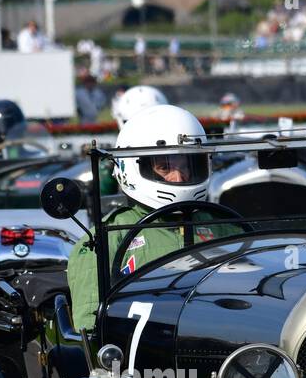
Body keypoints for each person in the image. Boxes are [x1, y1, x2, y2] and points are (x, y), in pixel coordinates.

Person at [66, 104, 236, 332]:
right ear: (131, 167)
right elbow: (90, 330)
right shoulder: (106, 239)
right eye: (164, 167)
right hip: (144, 361)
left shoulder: (225, 227)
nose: (178, 177)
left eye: (186, 165)